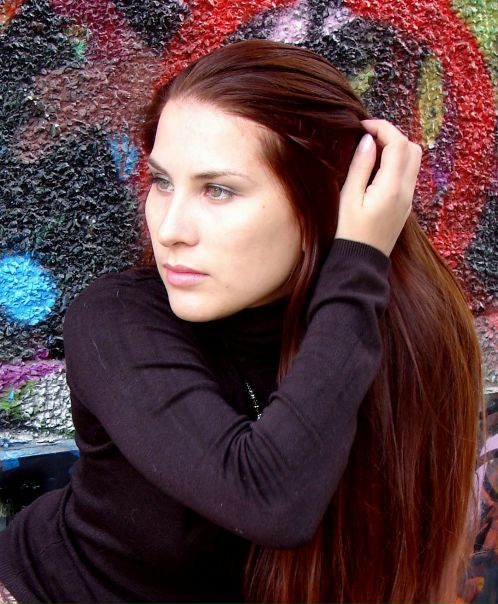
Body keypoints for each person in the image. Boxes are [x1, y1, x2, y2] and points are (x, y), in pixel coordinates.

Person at [0, 40, 481, 604]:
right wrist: (358, 262)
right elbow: (269, 498)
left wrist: (356, 271)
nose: (170, 228)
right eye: (161, 182)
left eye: (218, 190)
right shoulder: (116, 320)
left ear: (326, 200)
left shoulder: (409, 336)